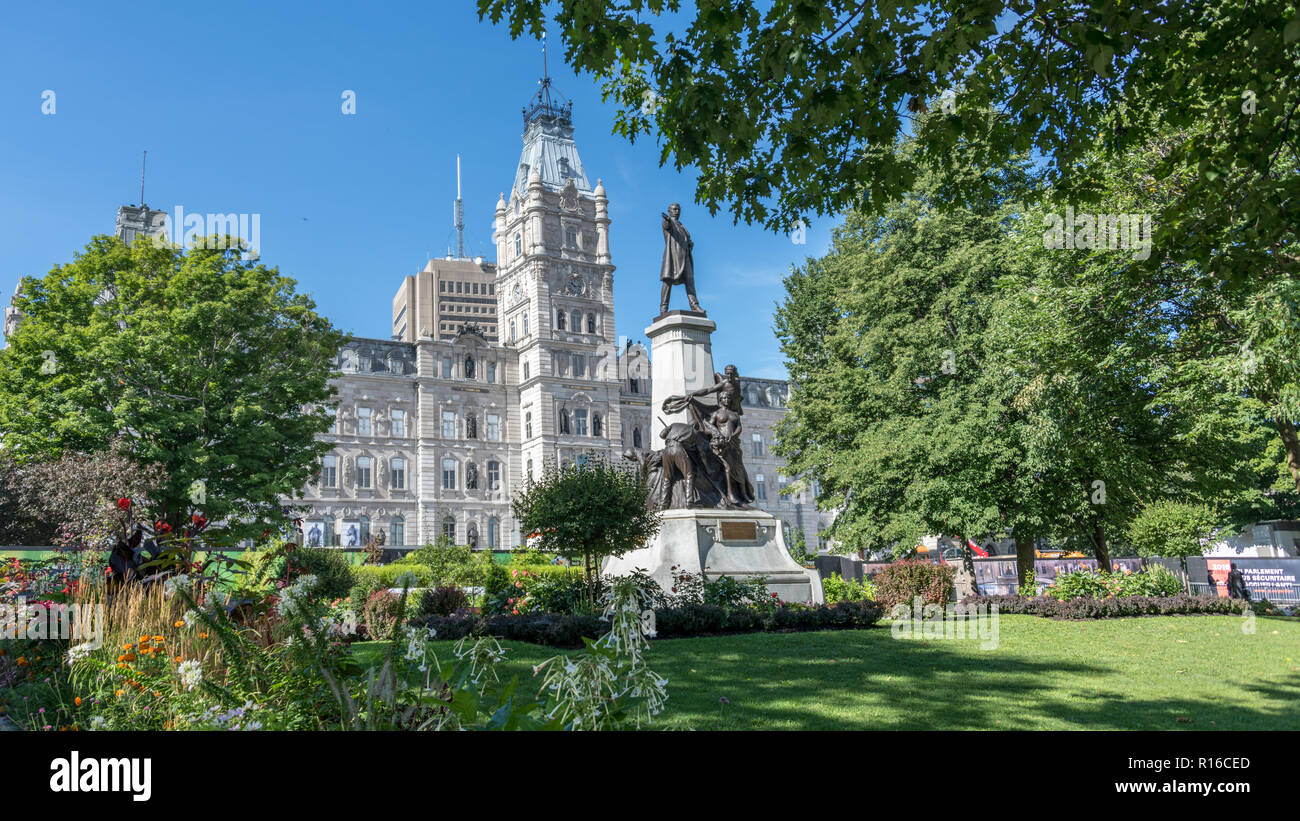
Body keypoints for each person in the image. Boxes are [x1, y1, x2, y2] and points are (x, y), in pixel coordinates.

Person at [659, 203, 702, 314]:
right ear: (669, 211)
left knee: (690, 280)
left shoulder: (682, 226)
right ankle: (663, 308)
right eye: (674, 209)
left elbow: (686, 238)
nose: (677, 211)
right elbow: (666, 226)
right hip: (673, 256)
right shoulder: (669, 222)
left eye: (678, 209)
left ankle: (695, 305)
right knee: (667, 282)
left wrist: (689, 244)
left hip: (685, 256)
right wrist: (667, 220)